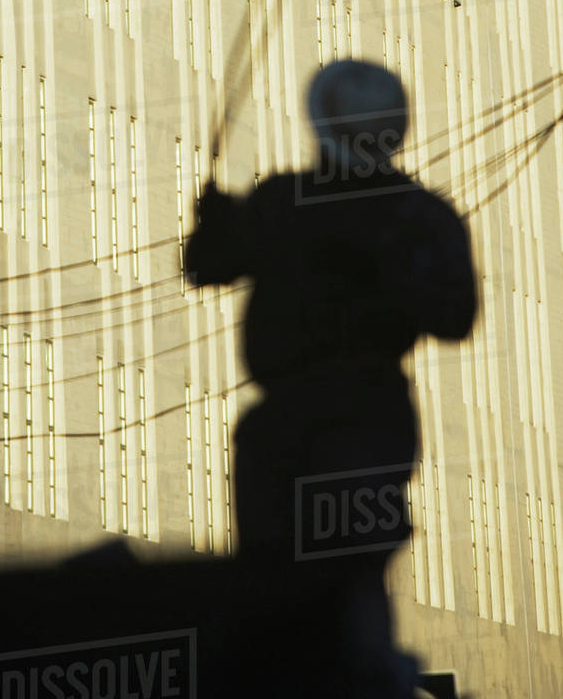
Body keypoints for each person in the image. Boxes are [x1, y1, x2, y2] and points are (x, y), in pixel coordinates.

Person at [185, 59, 477, 696]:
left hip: (326, 420)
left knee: (302, 568)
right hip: (356, 420)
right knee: (340, 566)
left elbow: (204, 264)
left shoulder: (286, 202)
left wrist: (215, 223)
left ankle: (344, 676)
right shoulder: (415, 213)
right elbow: (456, 313)